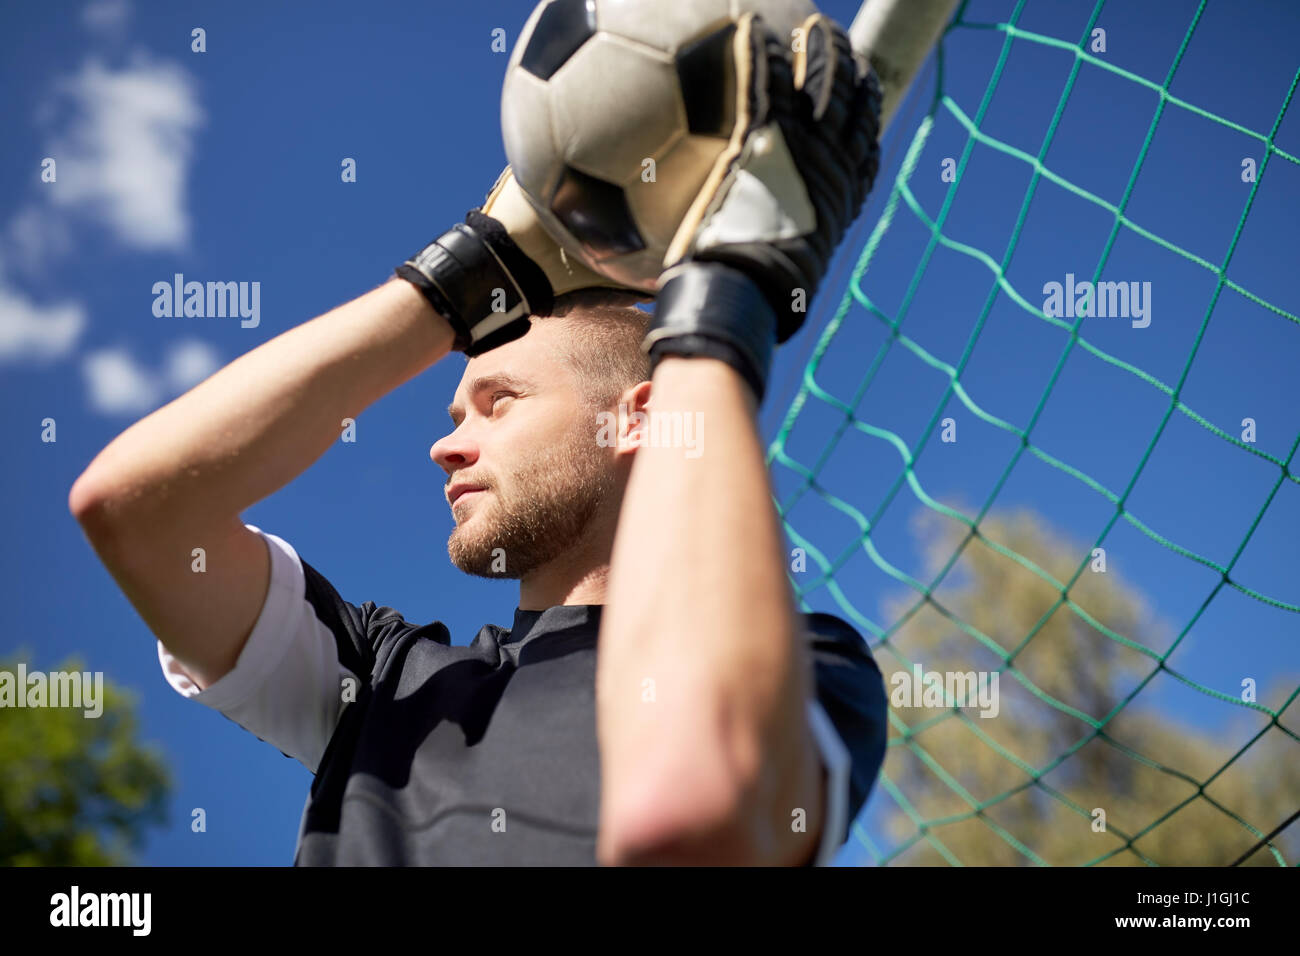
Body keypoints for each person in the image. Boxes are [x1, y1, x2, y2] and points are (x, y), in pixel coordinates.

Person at [69, 11, 887, 865]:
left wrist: (724, 305)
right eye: (455, 416)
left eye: (500, 400)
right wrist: (462, 280)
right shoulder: (377, 679)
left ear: (639, 417)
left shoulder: (807, 660)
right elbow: (132, 509)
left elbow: (691, 809)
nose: (444, 447)